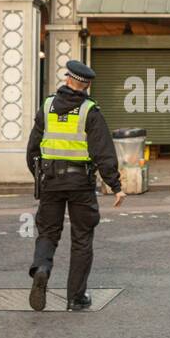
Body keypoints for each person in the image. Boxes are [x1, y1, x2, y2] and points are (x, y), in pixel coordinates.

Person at [26, 60, 125, 312]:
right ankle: (75, 297)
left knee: (48, 232)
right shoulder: (89, 111)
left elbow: (32, 148)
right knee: (81, 237)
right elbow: (103, 151)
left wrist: (39, 175)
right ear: (86, 85)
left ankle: (42, 270)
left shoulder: (47, 106)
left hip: (50, 181)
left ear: (66, 79)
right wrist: (115, 185)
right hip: (80, 183)